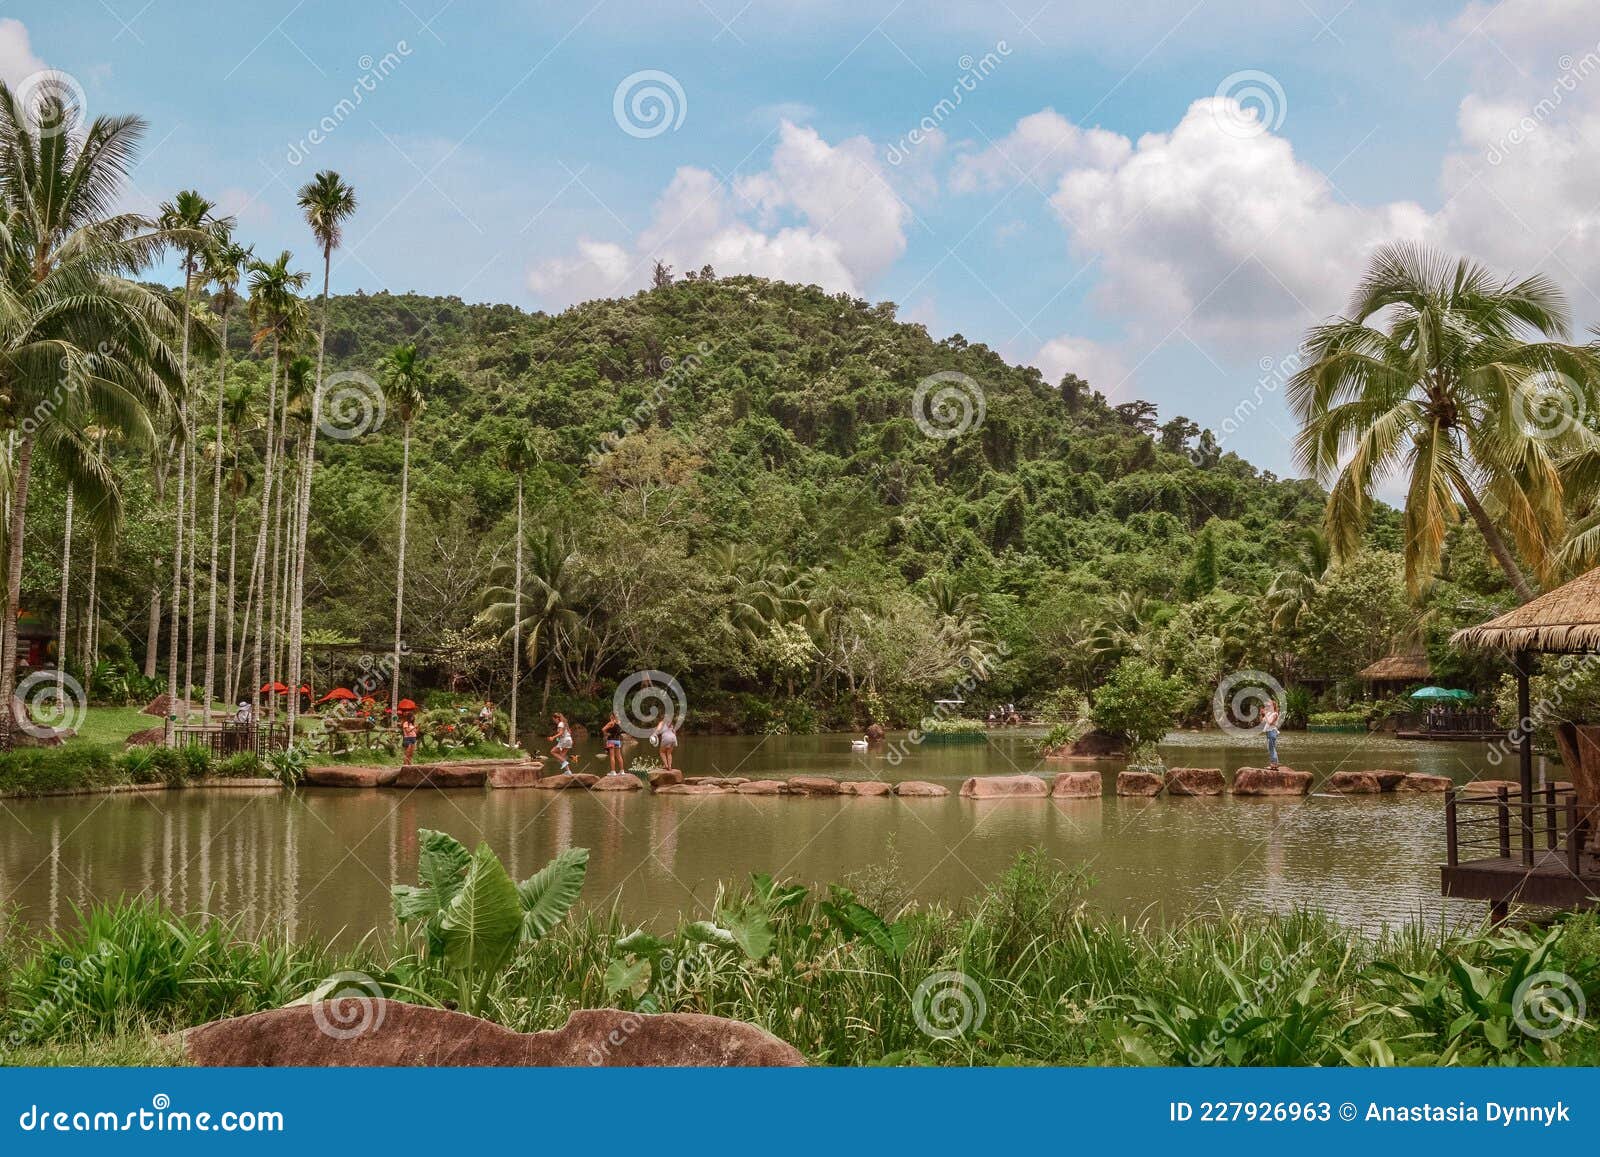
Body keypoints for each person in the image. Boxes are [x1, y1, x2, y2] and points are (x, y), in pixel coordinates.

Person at [1262, 698, 1281, 769]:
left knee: (1272, 748)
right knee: (1270, 748)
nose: (1268, 707)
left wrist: (1265, 714)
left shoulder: (1275, 714)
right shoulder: (1269, 714)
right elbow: (1263, 721)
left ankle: (1274, 764)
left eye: (1269, 706)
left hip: (1272, 732)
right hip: (1268, 732)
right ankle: (1273, 764)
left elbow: (1270, 722)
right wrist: (1262, 714)